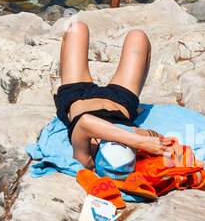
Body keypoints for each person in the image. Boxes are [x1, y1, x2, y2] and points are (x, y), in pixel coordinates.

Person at [55, 19, 177, 168]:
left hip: (77, 95)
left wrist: (138, 141)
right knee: (138, 36)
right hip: (120, 100)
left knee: (76, 28)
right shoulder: (133, 135)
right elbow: (159, 140)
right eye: (124, 145)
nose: (118, 142)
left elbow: (85, 122)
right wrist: (150, 140)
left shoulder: (86, 157)